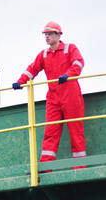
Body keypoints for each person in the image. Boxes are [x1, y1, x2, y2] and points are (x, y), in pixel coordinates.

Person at [12, 22, 87, 168]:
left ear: (58, 35)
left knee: (75, 131)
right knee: (50, 132)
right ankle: (46, 167)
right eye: (45, 34)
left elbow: (79, 63)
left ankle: (79, 166)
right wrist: (20, 81)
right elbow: (32, 69)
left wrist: (68, 74)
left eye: (50, 34)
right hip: (53, 98)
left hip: (71, 96)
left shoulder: (70, 48)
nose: (47, 36)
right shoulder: (44, 54)